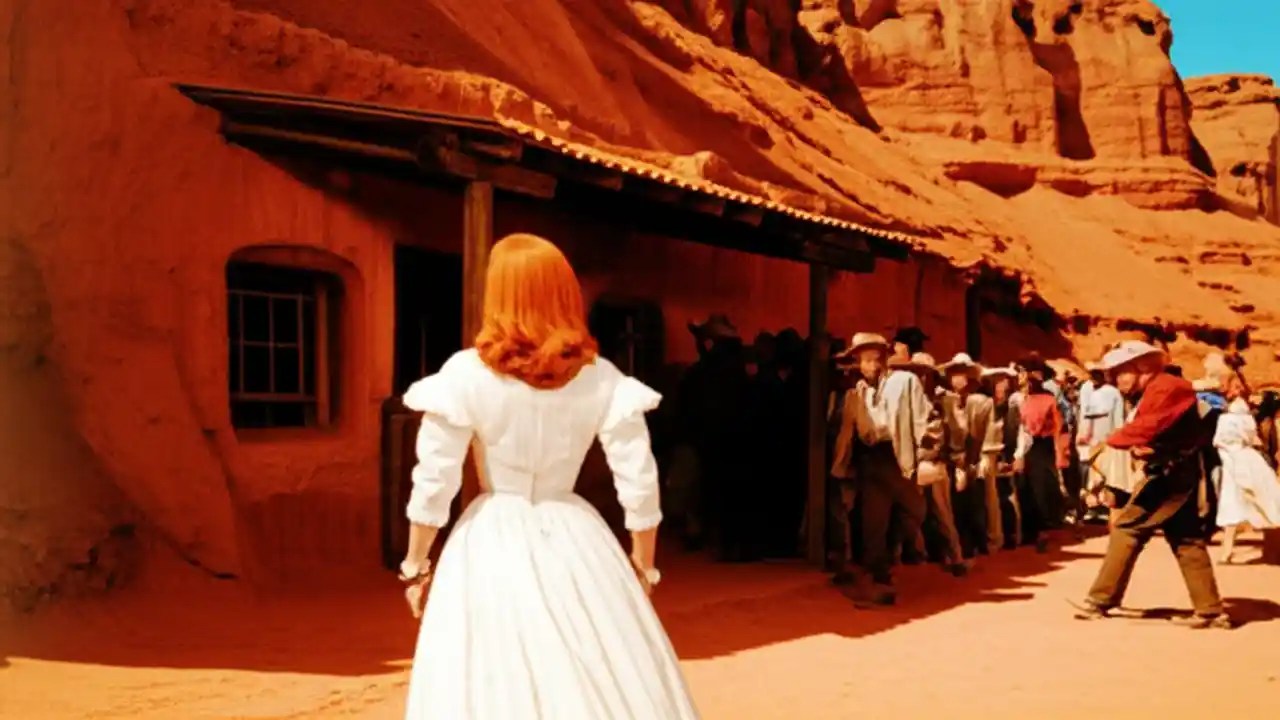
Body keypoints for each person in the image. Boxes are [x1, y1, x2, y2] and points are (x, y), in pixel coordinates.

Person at [398, 233, 700, 717]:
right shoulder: (600, 377)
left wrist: (417, 565)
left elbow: (434, 479)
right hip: (577, 536)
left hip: (489, 540)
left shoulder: (466, 375)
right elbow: (639, 481)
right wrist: (643, 566)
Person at [1073, 341, 1230, 630]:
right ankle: (1210, 610)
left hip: (1171, 476)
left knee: (1127, 529)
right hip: (1177, 472)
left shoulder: (1166, 387)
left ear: (1142, 367)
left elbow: (1149, 426)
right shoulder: (1162, 388)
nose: (1116, 379)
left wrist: (1115, 441)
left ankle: (1100, 600)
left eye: (1121, 372)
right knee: (1186, 539)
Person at [831, 333, 944, 605]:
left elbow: (926, 419)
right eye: (863, 361)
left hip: (897, 456)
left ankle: (889, 557)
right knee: (873, 522)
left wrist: (927, 453)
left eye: (873, 359)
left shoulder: (905, 383)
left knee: (915, 511)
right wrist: (843, 465)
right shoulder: (856, 392)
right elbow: (849, 432)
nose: (869, 366)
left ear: (883, 358)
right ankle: (878, 578)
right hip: (871, 460)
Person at [891, 351, 968, 575]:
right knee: (908, 512)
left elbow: (956, 432)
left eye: (923, 373)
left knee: (942, 513)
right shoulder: (908, 397)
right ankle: (910, 553)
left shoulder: (944, 399)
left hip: (935, 463)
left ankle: (955, 557)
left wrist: (957, 459)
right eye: (915, 372)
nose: (920, 377)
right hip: (911, 462)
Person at [939, 353, 996, 558]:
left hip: (974, 458)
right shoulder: (944, 401)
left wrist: (983, 457)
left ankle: (977, 542)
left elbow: (990, 430)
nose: (957, 380)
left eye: (961, 374)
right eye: (954, 375)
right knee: (956, 504)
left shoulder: (982, 402)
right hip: (952, 460)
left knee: (976, 501)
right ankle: (962, 543)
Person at [1215, 395, 1280, 564]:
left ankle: (1228, 552)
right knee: (1267, 507)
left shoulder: (1231, 428)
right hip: (1246, 469)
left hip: (1240, 471)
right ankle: (1270, 553)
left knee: (1255, 508)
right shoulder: (1245, 429)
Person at [1257, 391, 1280, 471]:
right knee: (1273, 444)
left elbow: (1259, 414)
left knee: (1267, 444)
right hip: (1270, 423)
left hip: (1266, 423)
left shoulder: (1263, 404)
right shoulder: (1274, 403)